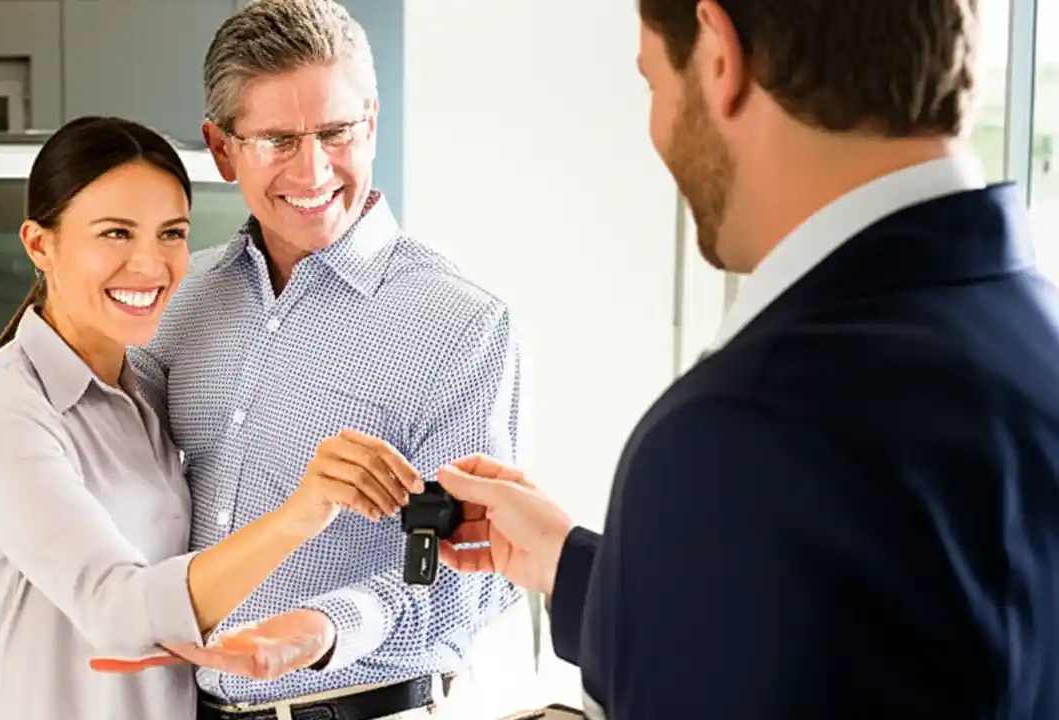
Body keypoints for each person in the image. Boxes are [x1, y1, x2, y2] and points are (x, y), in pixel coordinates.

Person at [436, 1, 1059, 718]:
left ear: (720, 53)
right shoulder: (1026, 340)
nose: (657, 128)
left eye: (652, 84)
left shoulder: (744, 428)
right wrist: (573, 567)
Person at [0, 116, 411, 720]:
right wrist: (303, 512)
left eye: (171, 233)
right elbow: (120, 613)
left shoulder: (139, 400)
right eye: (115, 234)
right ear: (38, 244)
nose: (151, 266)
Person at [127, 1, 525, 718]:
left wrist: (325, 627)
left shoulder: (459, 324)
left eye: (337, 132)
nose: (314, 170)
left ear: (370, 121)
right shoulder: (177, 307)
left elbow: (477, 577)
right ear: (222, 150)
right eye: (278, 139)